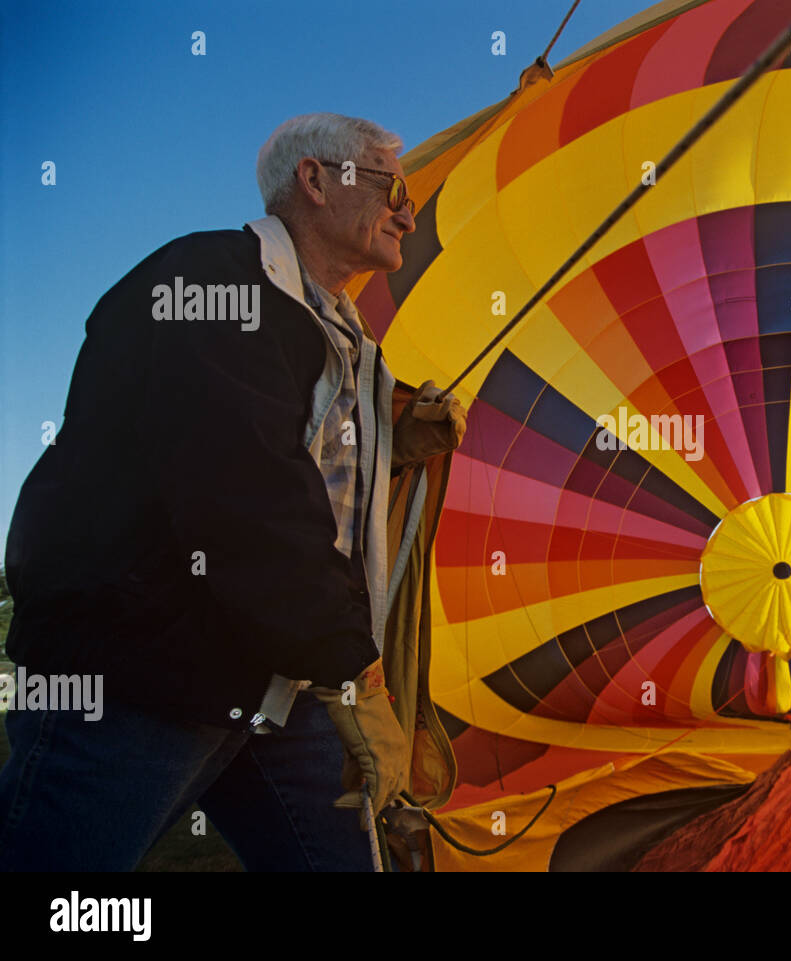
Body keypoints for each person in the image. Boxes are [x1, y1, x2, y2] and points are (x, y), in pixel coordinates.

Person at [0, 113, 466, 871]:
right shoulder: (206, 286)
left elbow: (306, 461)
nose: (410, 212)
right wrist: (356, 672)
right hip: (142, 676)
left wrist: (397, 431)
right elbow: (248, 497)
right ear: (315, 180)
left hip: (277, 686)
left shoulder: (344, 340)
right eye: (392, 186)